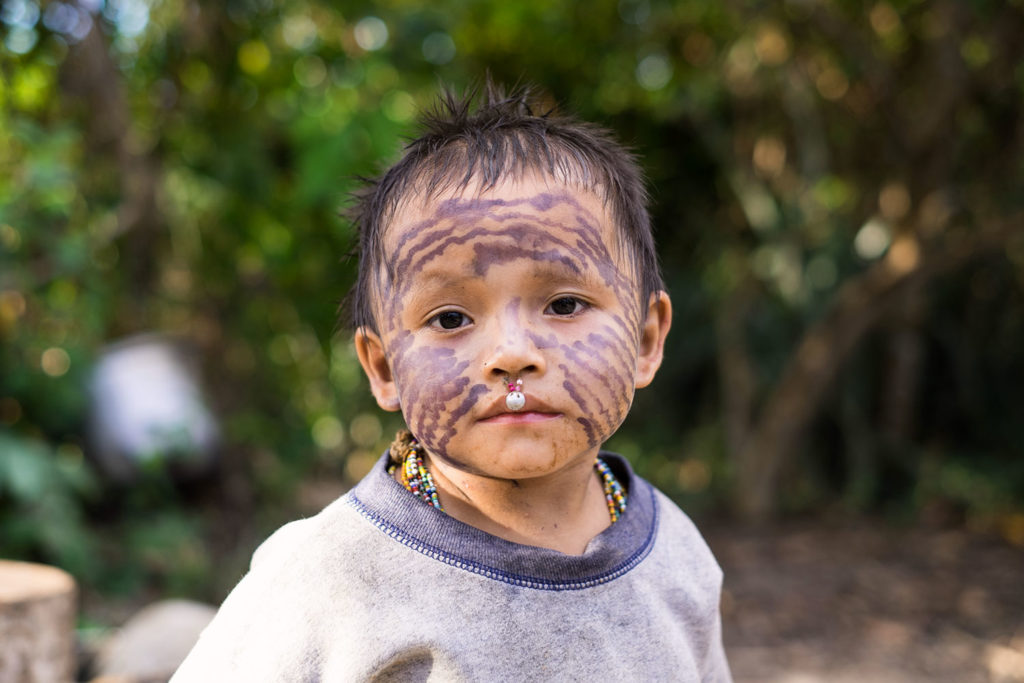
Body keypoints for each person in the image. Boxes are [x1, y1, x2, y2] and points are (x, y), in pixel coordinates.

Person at [172, 82, 732, 682]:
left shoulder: (675, 552)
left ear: (646, 341)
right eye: (450, 318)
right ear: (383, 368)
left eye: (565, 305)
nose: (512, 354)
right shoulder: (328, 580)